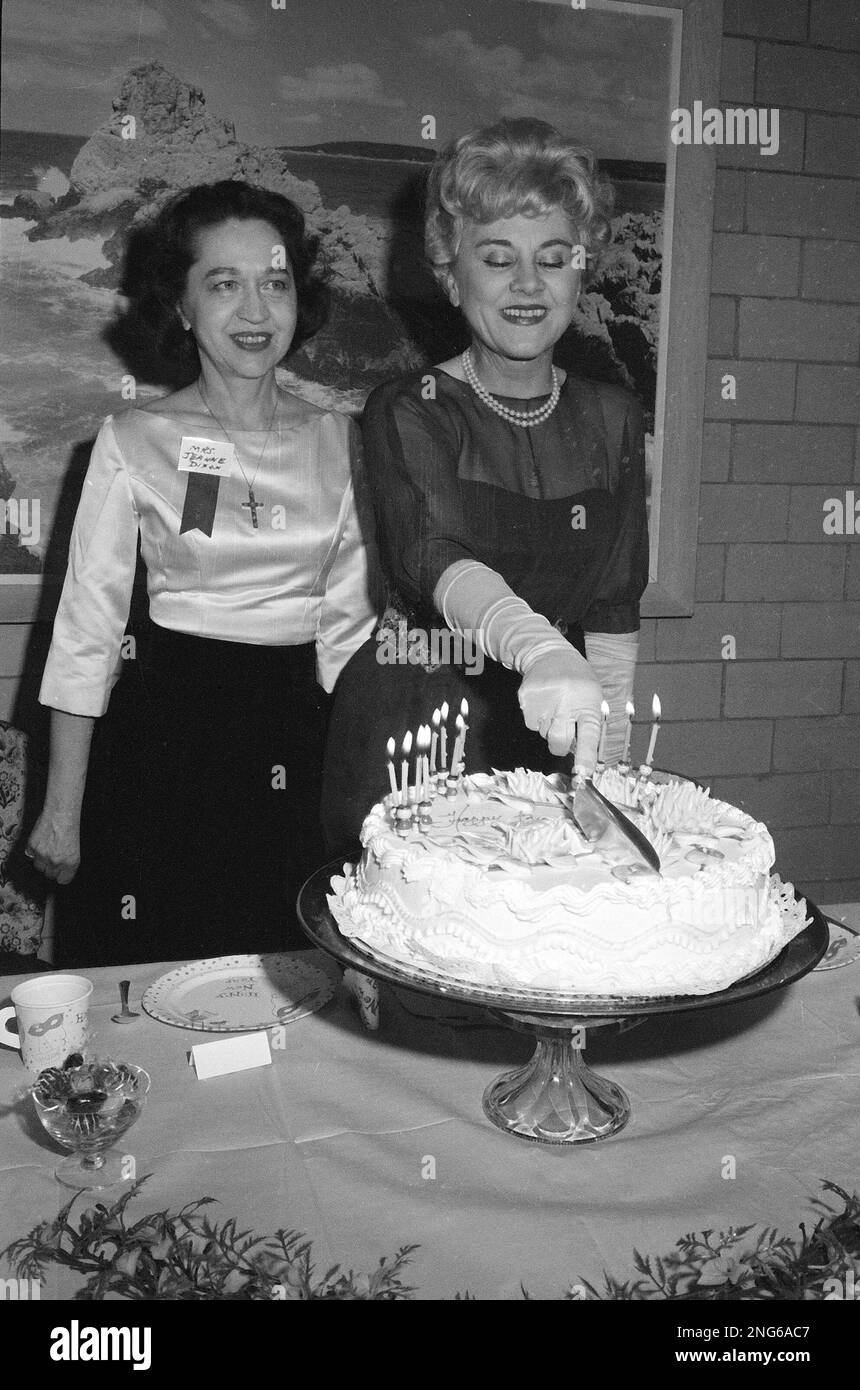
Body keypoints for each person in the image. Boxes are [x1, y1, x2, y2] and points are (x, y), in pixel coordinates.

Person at [28, 180, 377, 958]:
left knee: (292, 990)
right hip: (163, 742)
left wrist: (370, 807)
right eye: (224, 283)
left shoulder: (347, 443)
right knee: (151, 986)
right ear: (181, 306)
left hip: (301, 743)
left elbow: (351, 643)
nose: (255, 311)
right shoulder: (132, 440)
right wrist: (61, 807)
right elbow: (87, 632)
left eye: (275, 283)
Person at [322, 119, 648, 852]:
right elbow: (434, 552)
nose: (528, 284)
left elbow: (614, 599)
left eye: (553, 258)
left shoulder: (614, 415)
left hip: (553, 723)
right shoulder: (408, 408)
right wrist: (541, 649)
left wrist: (611, 753)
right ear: (449, 272)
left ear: (579, 272)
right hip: (416, 724)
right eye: (497, 258)